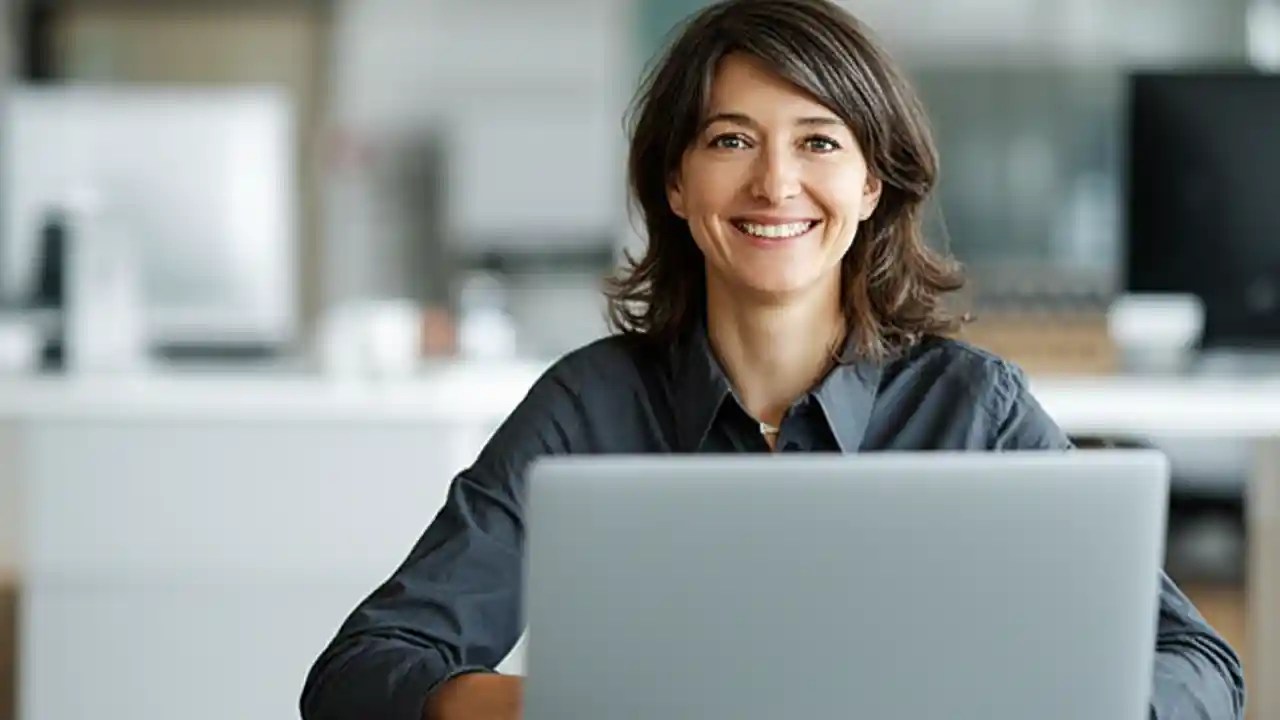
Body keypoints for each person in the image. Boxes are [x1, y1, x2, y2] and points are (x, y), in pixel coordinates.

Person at [301, 1, 1246, 718]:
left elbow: (1200, 668)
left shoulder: (974, 408)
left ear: (871, 185)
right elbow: (359, 674)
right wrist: (578, 708)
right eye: (731, 140)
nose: (775, 182)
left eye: (819, 141)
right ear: (676, 184)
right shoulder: (587, 407)